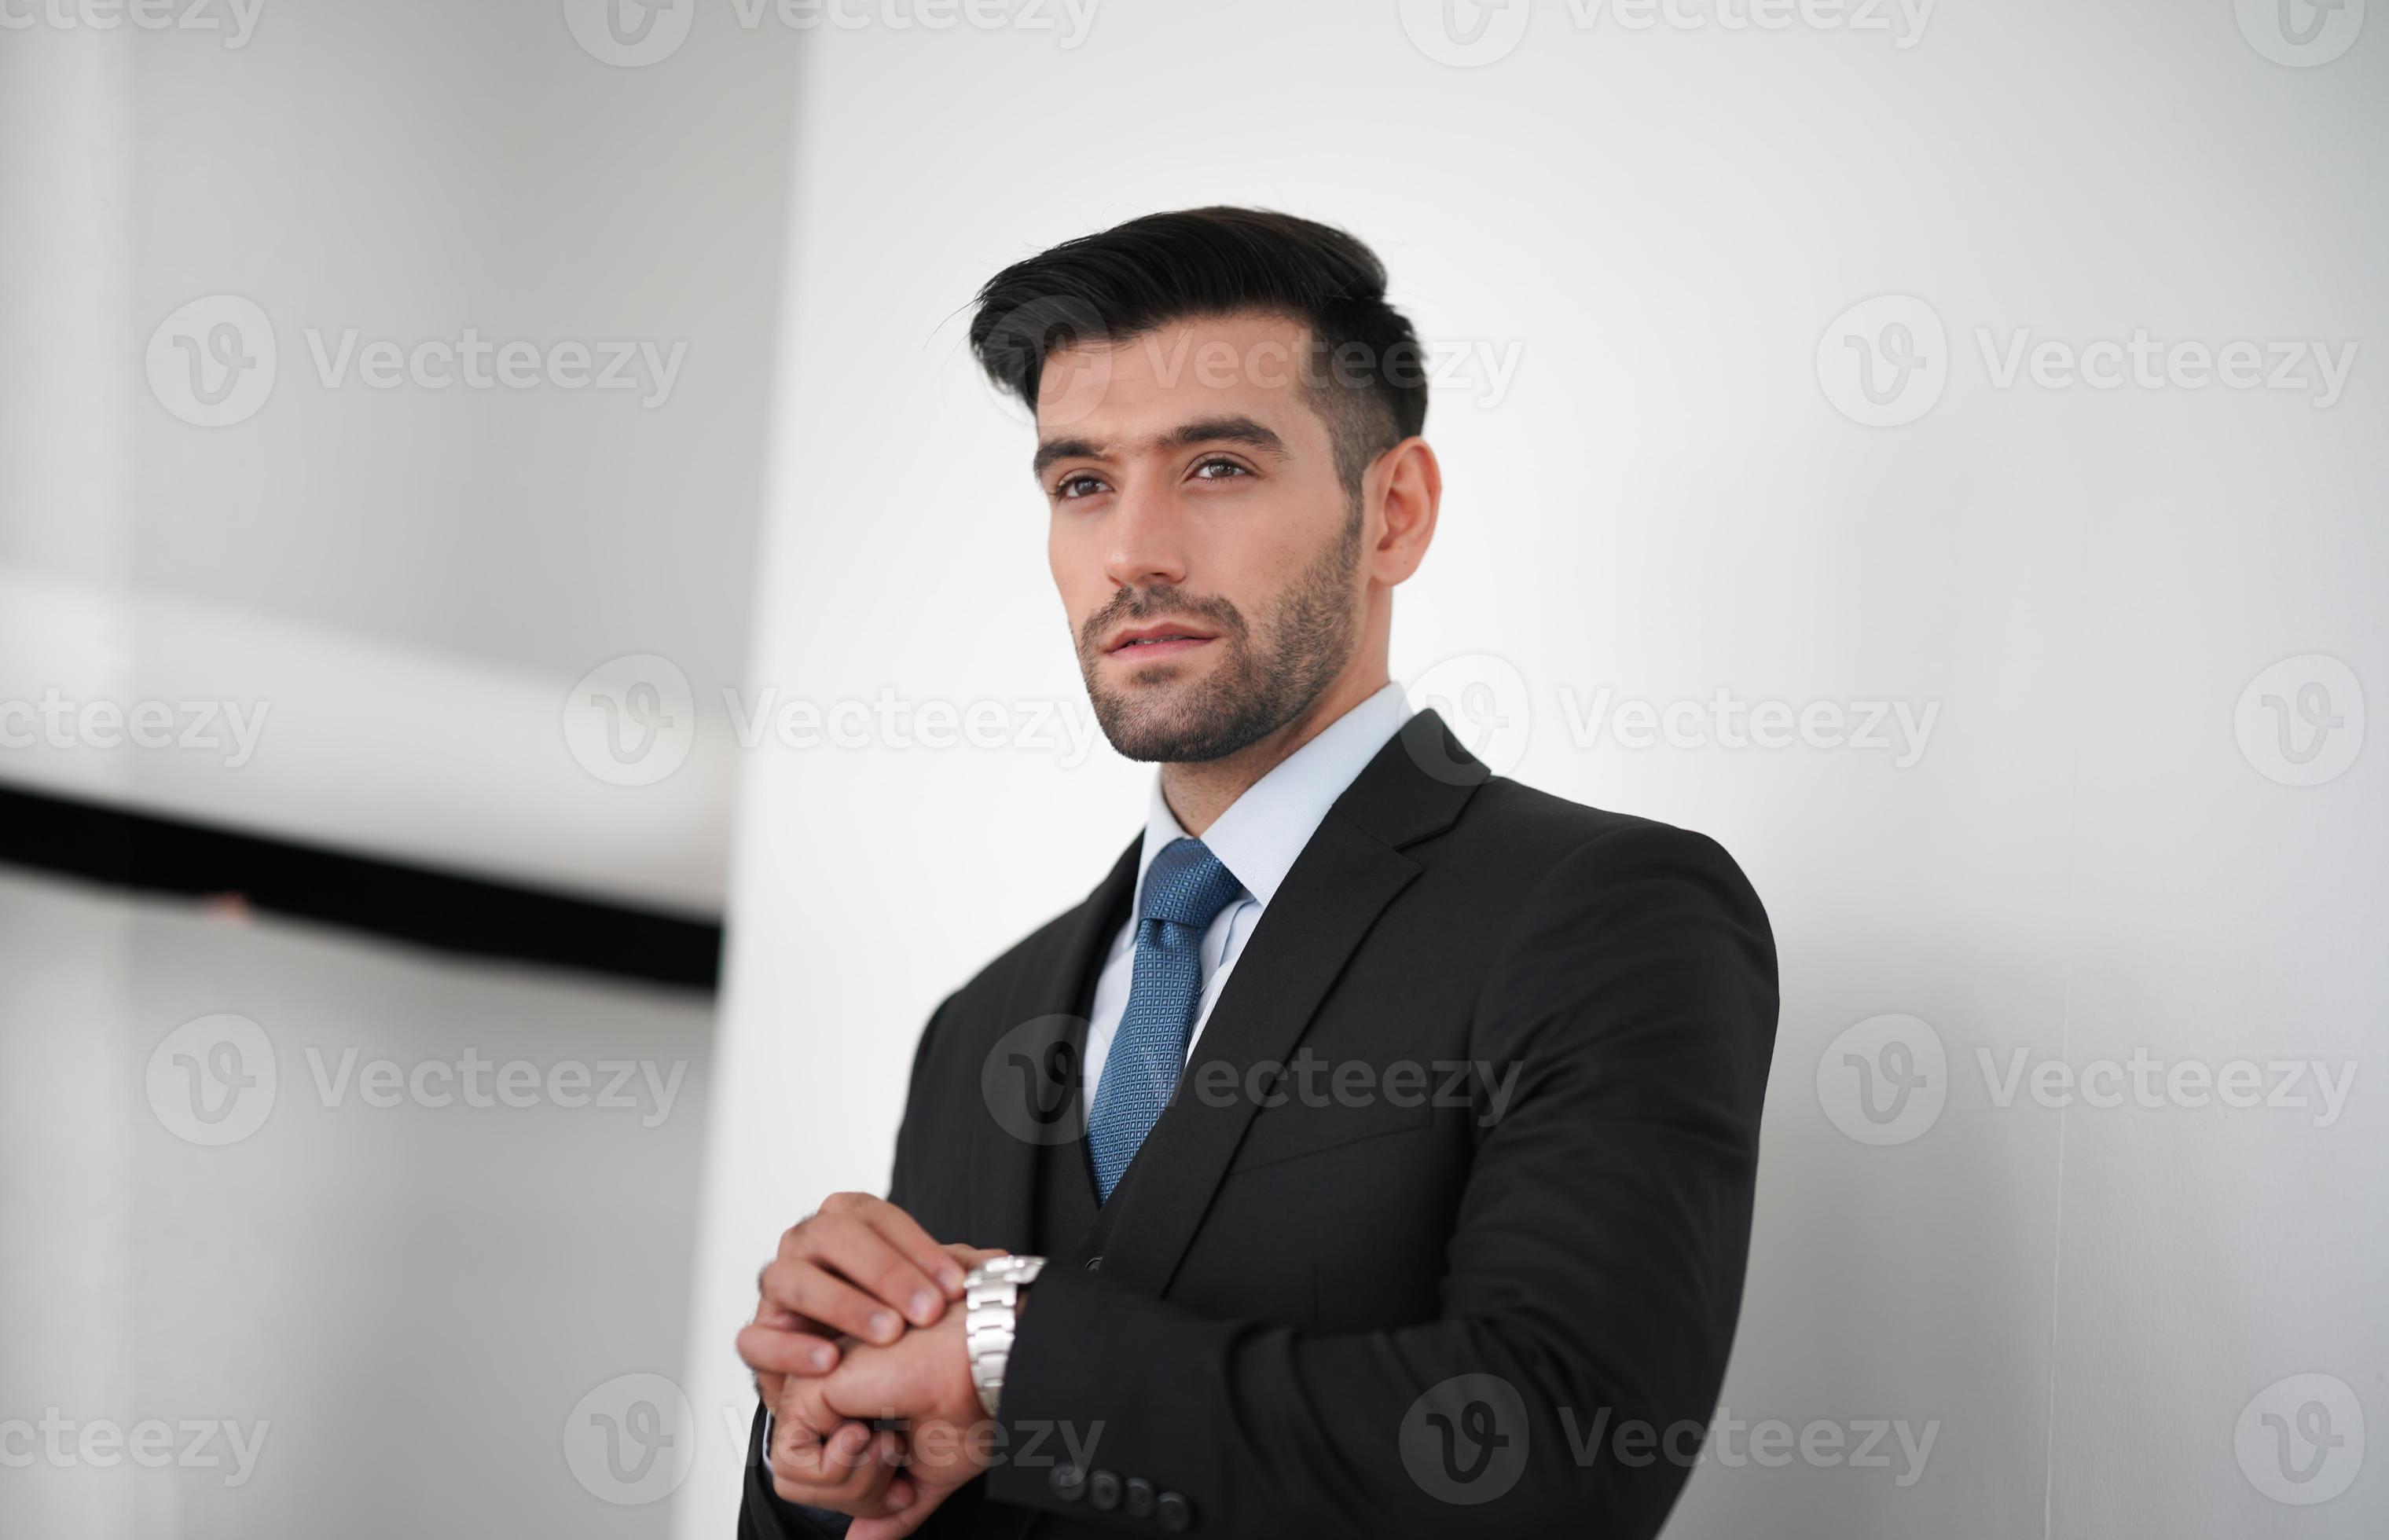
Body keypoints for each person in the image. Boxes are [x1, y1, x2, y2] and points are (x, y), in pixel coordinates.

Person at [734, 207, 1778, 1539]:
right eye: (1082, 483)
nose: (1133, 552)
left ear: (1393, 512)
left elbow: (1556, 1455)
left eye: (1217, 466)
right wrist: (823, 1438)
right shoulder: (977, 1025)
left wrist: (1012, 1346)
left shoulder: (1606, 915)